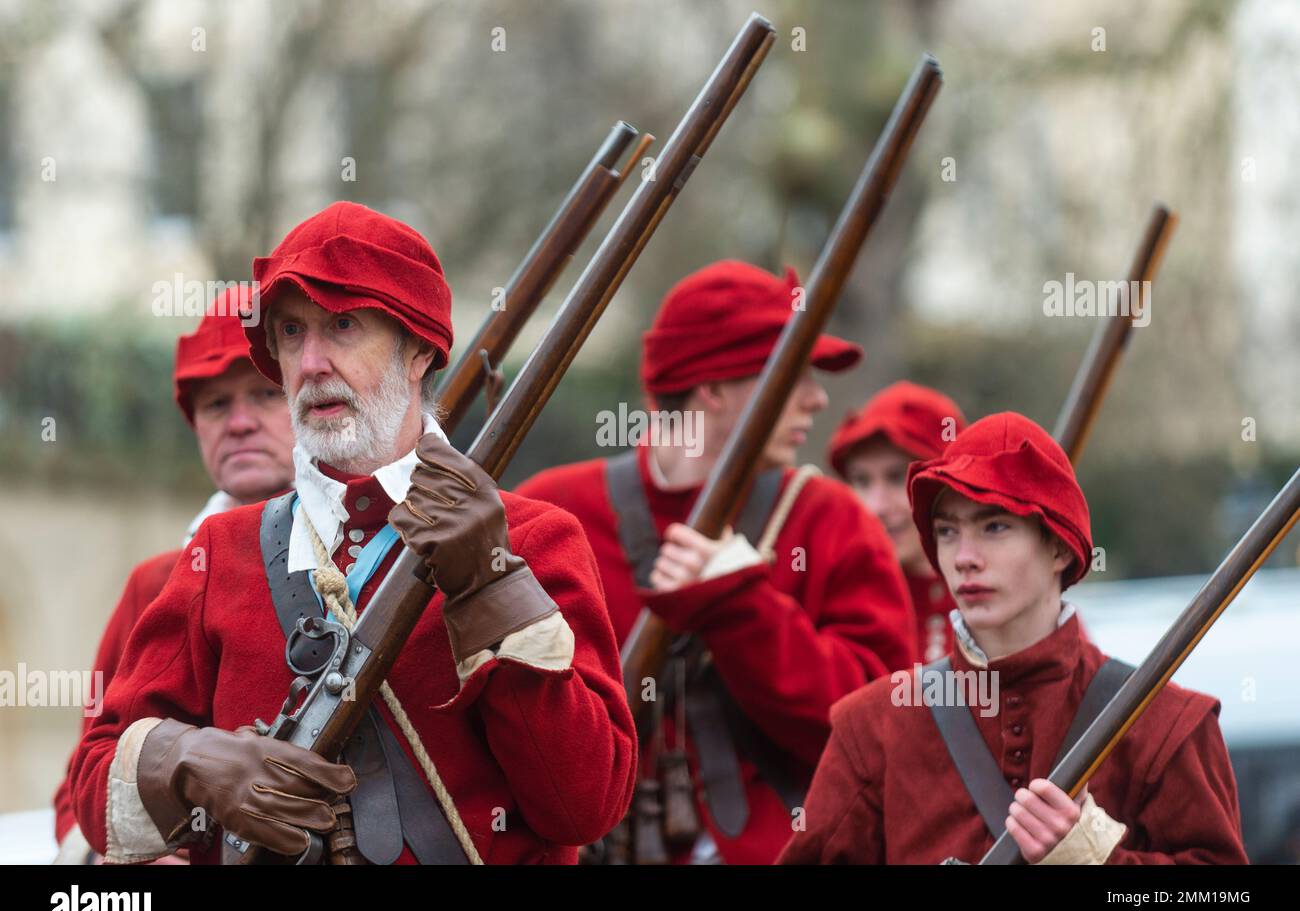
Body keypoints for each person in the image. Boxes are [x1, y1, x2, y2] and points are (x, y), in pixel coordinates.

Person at [68, 201, 636, 865]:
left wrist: (490, 585)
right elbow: (95, 785)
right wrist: (191, 758)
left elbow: (584, 805)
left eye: (343, 325)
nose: (310, 363)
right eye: (289, 332)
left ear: (419, 348)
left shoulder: (533, 537)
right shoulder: (221, 551)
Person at [517, 260, 914, 864]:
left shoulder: (828, 518)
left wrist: (743, 607)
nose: (817, 398)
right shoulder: (552, 511)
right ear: (713, 388)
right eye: (793, 375)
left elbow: (884, 731)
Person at [779, 412, 1248, 864]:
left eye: (994, 527)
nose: (964, 557)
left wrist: (1093, 861)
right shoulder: (871, 727)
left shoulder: (1166, 724)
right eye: (947, 531)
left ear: (1060, 547)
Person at [52, 285, 295, 863]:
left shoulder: (388, 553)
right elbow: (86, 774)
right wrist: (127, 857)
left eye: (263, 393)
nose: (238, 423)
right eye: (215, 405)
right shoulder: (156, 581)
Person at [827, 381, 965, 663]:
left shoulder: (1007, 605)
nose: (875, 506)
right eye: (861, 480)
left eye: (896, 477)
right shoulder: (830, 602)